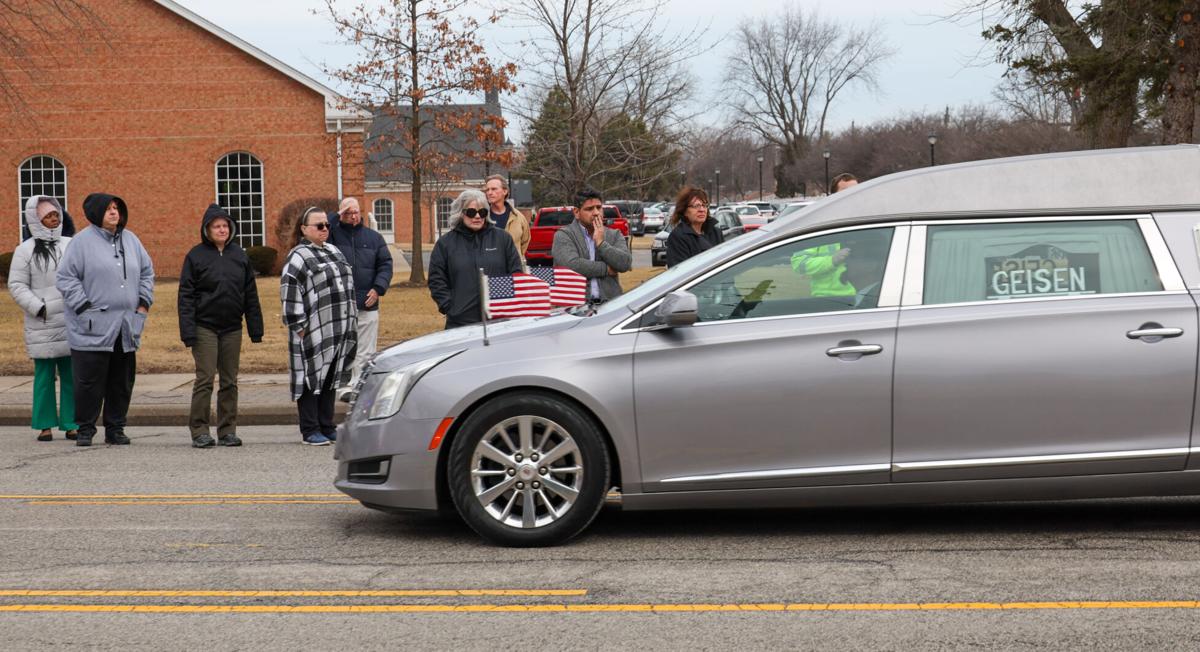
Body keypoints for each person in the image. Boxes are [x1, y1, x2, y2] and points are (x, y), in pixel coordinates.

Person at [55, 193, 155, 447]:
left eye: (116, 208)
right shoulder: (81, 243)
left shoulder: (131, 240)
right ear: (96, 213)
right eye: (108, 209)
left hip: (125, 326)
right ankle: (86, 428)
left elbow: (146, 271)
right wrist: (84, 306)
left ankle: (116, 428)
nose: (114, 213)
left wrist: (143, 303)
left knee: (121, 382)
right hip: (91, 326)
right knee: (89, 382)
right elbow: (66, 277)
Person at [178, 204, 265, 449]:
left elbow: (250, 293)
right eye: (217, 226)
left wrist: (255, 328)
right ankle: (199, 430)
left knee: (230, 381)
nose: (222, 229)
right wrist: (188, 331)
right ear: (207, 229)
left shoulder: (239, 255)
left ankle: (227, 430)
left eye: (225, 225)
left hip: (232, 327)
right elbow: (185, 295)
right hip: (204, 327)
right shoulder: (195, 256)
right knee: (205, 378)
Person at [280, 207, 358, 446]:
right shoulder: (298, 257)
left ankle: (327, 425)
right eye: (319, 225)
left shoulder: (334, 251)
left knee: (329, 379)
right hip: (312, 332)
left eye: (326, 225)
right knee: (310, 379)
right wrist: (301, 328)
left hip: (337, 329)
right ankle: (310, 429)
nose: (325, 229)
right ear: (304, 229)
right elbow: (290, 295)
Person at [9, 196, 77, 441]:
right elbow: (16, 285)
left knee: (71, 375)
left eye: (56, 214)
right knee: (44, 377)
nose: (54, 219)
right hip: (42, 322)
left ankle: (72, 423)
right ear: (36, 220)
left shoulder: (71, 244)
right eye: (48, 216)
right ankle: (44, 424)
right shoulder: (24, 250)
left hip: (70, 321)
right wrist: (39, 308)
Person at [427, 189, 522, 328]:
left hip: (498, 320)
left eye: (482, 212)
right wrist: (450, 307)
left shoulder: (502, 239)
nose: (477, 216)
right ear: (460, 213)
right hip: (460, 322)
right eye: (471, 212)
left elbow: (516, 273)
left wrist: (508, 305)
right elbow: (436, 280)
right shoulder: (445, 243)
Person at [326, 197, 393, 393]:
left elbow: (385, 265)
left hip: (367, 301)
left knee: (366, 347)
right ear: (341, 215)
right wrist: (336, 216)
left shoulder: (374, 238)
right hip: (340, 303)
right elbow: (321, 230)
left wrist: (378, 288)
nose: (353, 216)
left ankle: (361, 385)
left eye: (355, 212)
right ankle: (343, 384)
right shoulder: (332, 236)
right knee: (342, 346)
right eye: (348, 212)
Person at [551, 188, 632, 303]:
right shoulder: (563, 235)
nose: (596, 213)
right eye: (589, 209)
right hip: (576, 307)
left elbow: (625, 263)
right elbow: (572, 265)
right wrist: (606, 269)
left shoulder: (614, 234)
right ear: (576, 212)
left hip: (611, 306)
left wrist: (601, 243)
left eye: (599, 207)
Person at [664, 186, 723, 267]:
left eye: (704, 205)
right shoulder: (678, 237)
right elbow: (679, 271)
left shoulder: (716, 233)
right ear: (684, 211)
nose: (702, 209)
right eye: (696, 206)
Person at [483, 175, 531, 264]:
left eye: (494, 189)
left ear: (505, 191)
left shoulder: (518, 217)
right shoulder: (482, 217)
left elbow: (525, 241)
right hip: (490, 268)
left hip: (514, 268)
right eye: (487, 190)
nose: (489, 193)